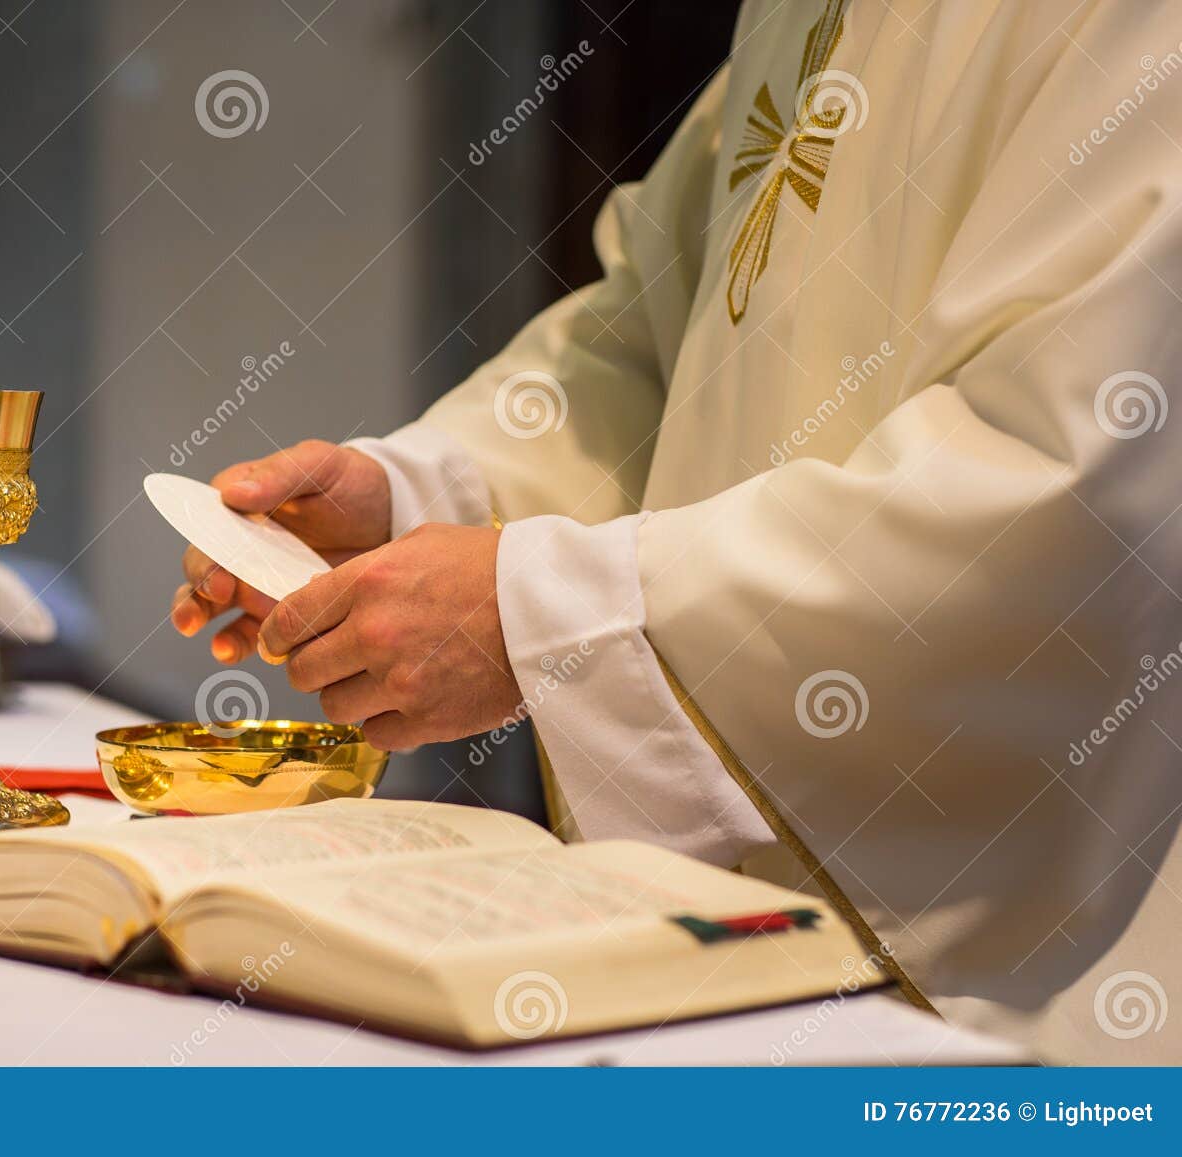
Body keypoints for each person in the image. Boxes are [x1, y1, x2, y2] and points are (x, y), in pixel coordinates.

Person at [170, 0, 1182, 1063]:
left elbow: (1069, 499)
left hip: (1031, 988)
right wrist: (418, 501)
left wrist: (536, 608)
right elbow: (663, 348)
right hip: (729, 952)